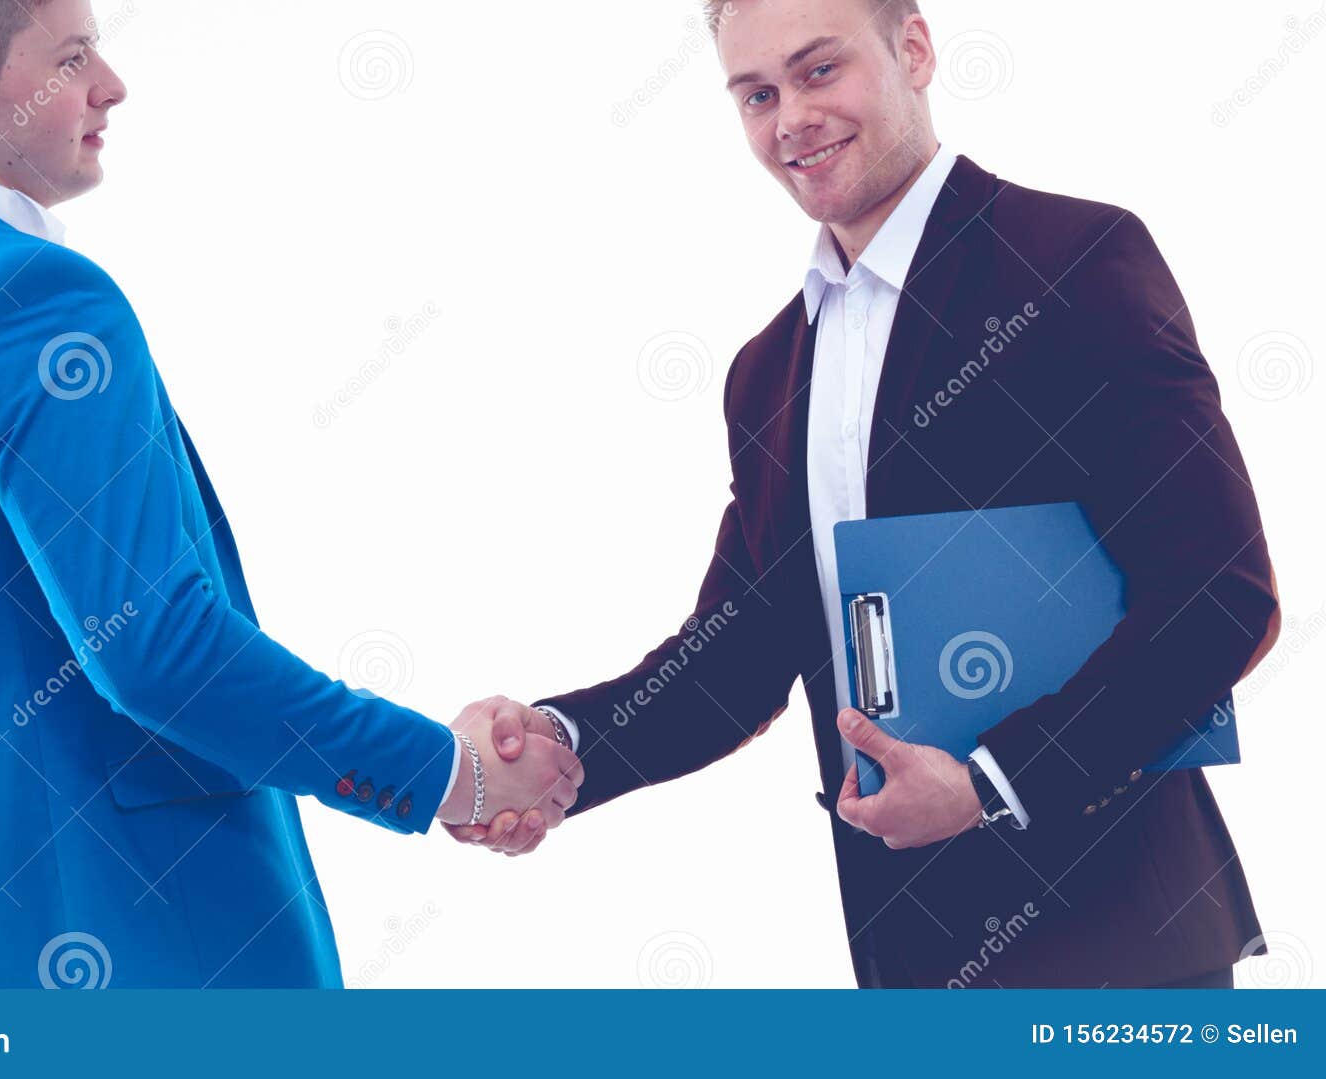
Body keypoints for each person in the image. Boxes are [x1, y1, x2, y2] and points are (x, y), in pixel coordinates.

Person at [456, 0, 1282, 989]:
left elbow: (1217, 596)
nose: (789, 118)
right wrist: (559, 743)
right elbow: (740, 651)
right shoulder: (767, 373)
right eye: (755, 94)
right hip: (908, 950)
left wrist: (990, 784)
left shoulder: (1075, 261)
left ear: (915, 49)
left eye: (818, 72)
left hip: (1119, 940)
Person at [0, 0, 580, 988]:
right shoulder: (32, 297)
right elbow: (155, 649)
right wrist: (443, 773)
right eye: (72, 59)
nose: (111, 86)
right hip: (171, 951)